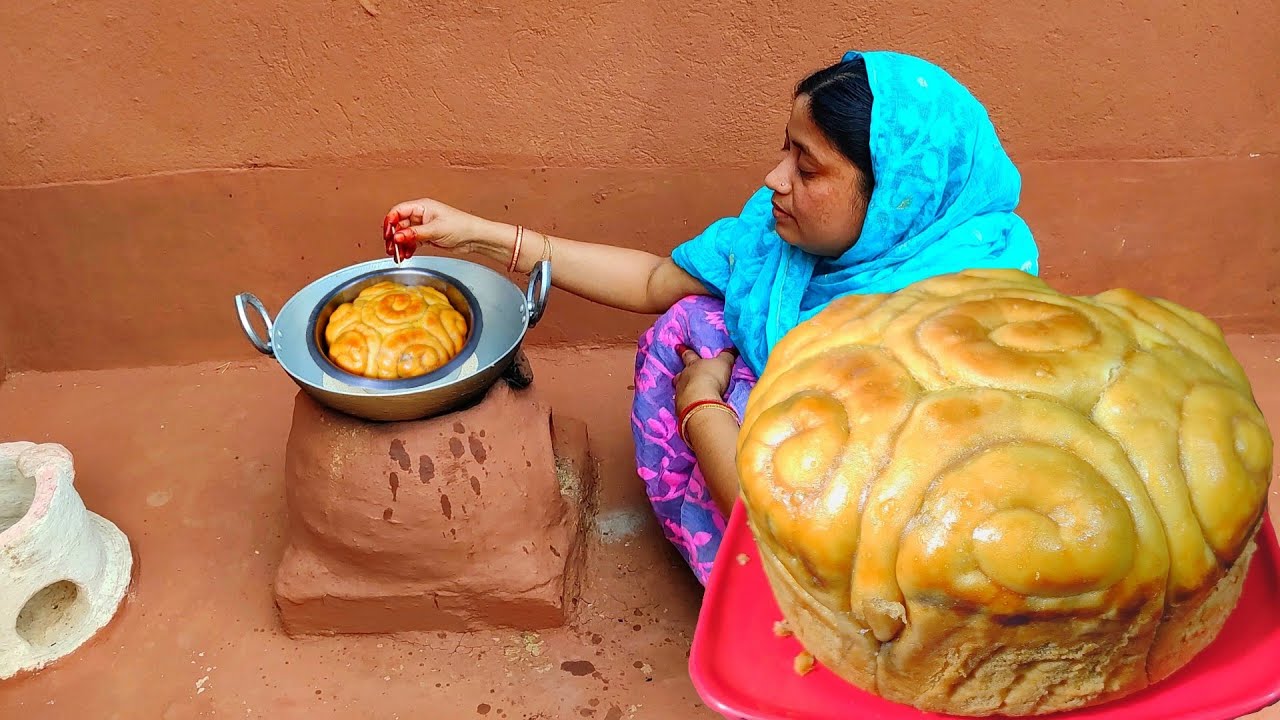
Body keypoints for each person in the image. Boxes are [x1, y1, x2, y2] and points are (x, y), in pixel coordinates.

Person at [380, 50, 1039, 585]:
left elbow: (801, 531)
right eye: (785, 150)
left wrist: (701, 410)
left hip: (869, 565)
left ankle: (756, 599)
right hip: (810, 487)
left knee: (701, 358)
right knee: (689, 319)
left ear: (897, 200)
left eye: (806, 168)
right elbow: (653, 281)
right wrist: (478, 236)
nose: (775, 179)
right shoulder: (782, 241)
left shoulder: (946, 334)